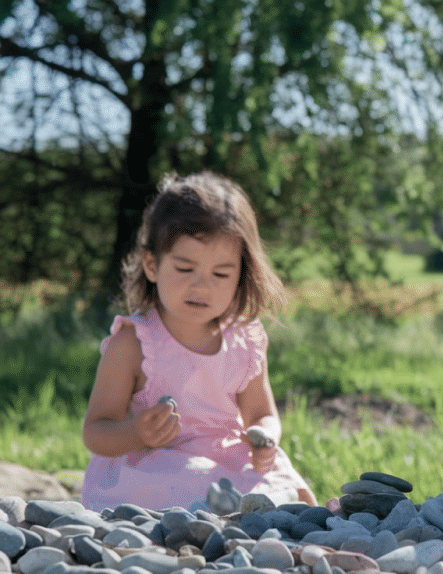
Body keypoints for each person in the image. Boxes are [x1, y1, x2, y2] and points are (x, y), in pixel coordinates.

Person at [81, 171, 317, 512]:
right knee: (192, 479)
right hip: (158, 461)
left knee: (284, 481)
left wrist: (264, 438)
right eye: (184, 269)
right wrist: (136, 433)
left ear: (241, 275)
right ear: (152, 264)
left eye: (221, 274)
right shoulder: (134, 344)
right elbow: (95, 431)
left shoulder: (244, 338)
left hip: (227, 456)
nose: (201, 286)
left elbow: (262, 412)